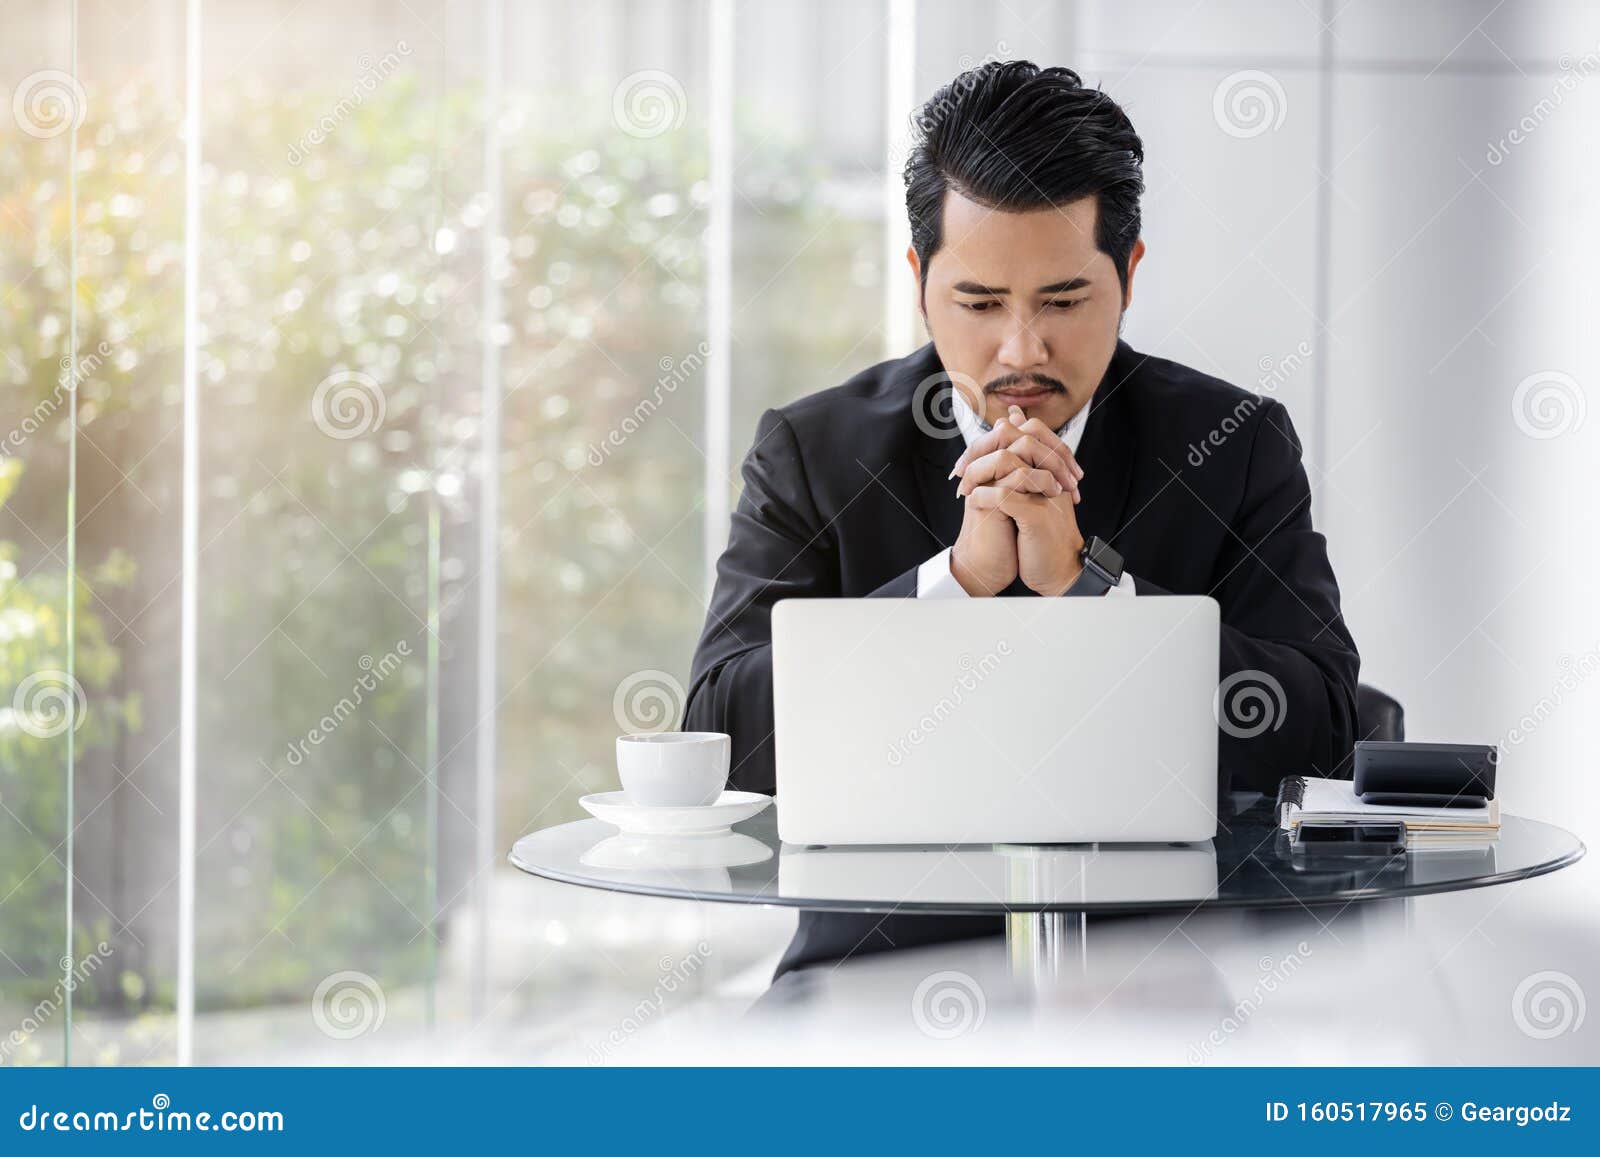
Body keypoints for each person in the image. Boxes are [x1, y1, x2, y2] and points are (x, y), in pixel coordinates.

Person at [684, 60, 1360, 977]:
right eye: (980, 302)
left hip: (1152, 976)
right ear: (920, 279)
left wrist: (1091, 584)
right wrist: (952, 584)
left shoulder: (1233, 441)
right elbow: (719, 739)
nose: (1022, 349)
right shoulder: (814, 448)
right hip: (868, 979)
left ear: (1129, 275)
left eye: (1065, 300)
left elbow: (1325, 730)